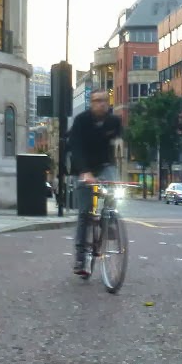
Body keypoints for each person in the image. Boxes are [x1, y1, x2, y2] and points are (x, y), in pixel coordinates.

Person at [68, 90, 122, 275]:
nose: (101, 104)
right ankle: (81, 259)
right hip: (83, 167)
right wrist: (84, 172)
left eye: (104, 101)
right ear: (91, 103)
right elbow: (75, 147)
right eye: (97, 101)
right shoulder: (81, 121)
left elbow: (121, 141)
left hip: (104, 165)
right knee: (85, 213)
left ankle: (109, 221)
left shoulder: (114, 121)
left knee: (115, 186)